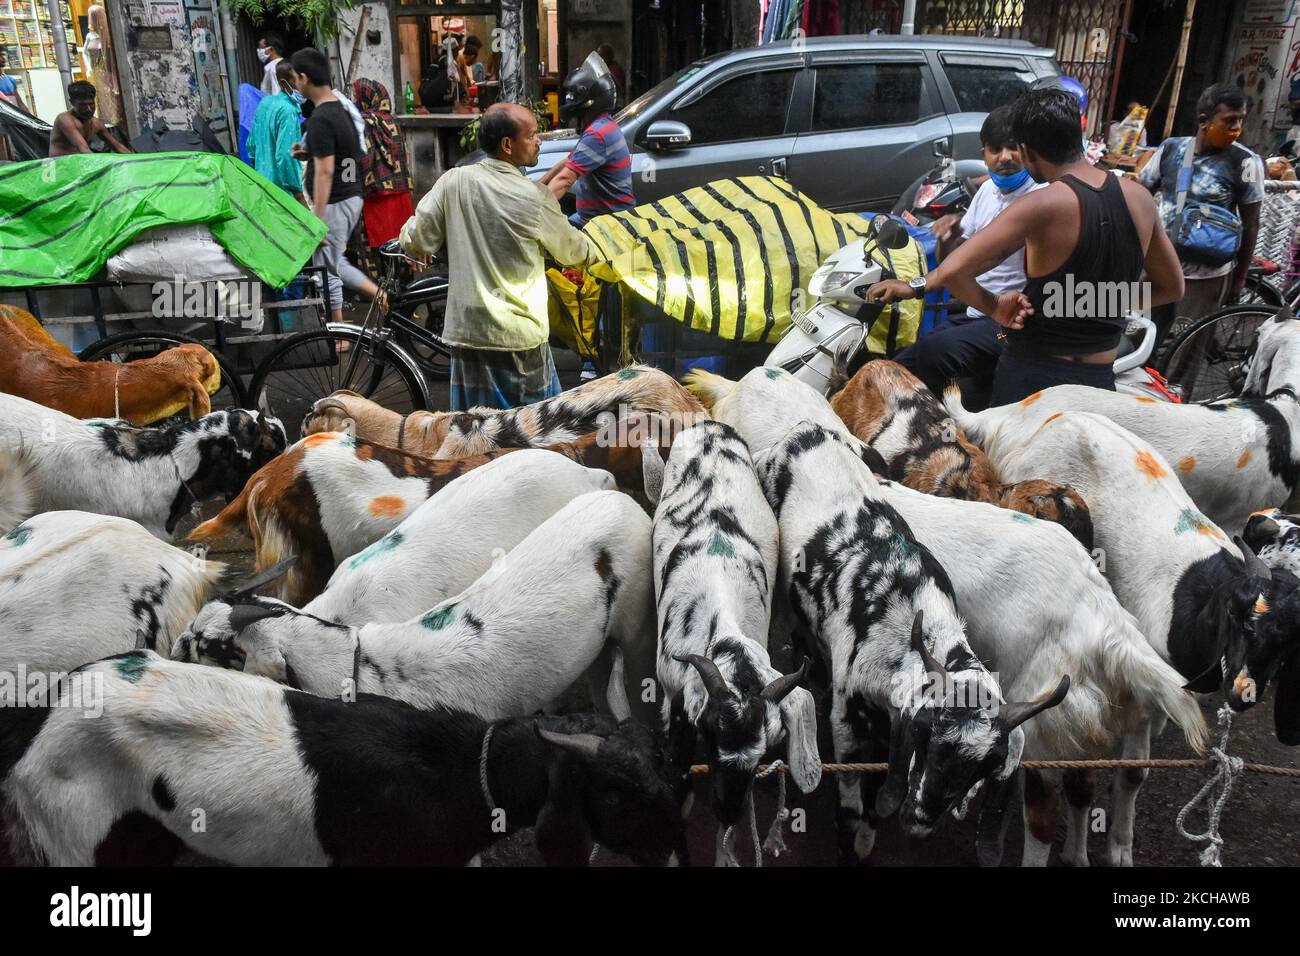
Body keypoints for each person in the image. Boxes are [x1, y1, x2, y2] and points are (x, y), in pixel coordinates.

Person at [868, 88, 1184, 404]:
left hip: (1034, 378)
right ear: (1079, 136)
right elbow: (1172, 287)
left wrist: (995, 307)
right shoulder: (1139, 198)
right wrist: (1097, 301)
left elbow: (953, 272)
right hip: (1097, 383)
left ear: (1026, 150)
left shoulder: (1040, 206)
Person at [399, 102, 597, 410]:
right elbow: (575, 252)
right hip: (518, 338)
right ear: (507, 145)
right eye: (532, 135)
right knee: (535, 432)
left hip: (469, 333)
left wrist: (407, 233)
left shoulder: (454, 181)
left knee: (473, 433)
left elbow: (417, 240)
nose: (539, 141)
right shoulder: (534, 198)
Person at [892, 105, 1045, 409]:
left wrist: (913, 286)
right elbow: (959, 254)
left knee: (933, 353)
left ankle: (935, 431)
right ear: (983, 153)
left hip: (1013, 322)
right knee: (898, 365)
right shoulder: (987, 191)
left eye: (1013, 148)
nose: (1005, 157)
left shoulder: (1039, 197)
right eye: (996, 149)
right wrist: (949, 233)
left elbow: (976, 261)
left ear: (1027, 151)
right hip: (978, 313)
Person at [1140, 83, 1265, 346]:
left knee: (1187, 347)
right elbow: (1141, 197)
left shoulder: (1246, 162)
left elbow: (1251, 224)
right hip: (1159, 265)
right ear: (1204, 121)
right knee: (1138, 336)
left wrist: (1239, 279)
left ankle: (1177, 388)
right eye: (1229, 120)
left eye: (1240, 120)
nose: (1236, 128)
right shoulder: (1170, 149)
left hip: (1207, 275)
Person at [290, 48, 378, 323]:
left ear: (304, 78)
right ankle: (340, 322)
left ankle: (375, 299)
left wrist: (316, 221)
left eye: (294, 78)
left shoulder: (321, 119)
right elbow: (340, 155)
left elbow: (326, 171)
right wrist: (308, 153)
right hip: (348, 195)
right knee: (329, 262)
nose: (294, 84)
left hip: (336, 200)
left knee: (329, 265)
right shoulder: (340, 109)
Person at [541, 51, 633, 223]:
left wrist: (534, 214)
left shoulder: (598, 134)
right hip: (589, 217)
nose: (569, 100)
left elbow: (565, 180)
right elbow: (567, 164)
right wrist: (537, 187)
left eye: (573, 95)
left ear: (590, 100)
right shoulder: (601, 125)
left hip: (608, 224)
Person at [352, 77, 415, 248]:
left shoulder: (365, 121)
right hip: (402, 193)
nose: (354, 101)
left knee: (381, 249)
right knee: (402, 246)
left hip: (378, 197)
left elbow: (364, 159)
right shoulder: (392, 119)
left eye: (356, 96)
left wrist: (350, 182)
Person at [249, 60, 306, 204]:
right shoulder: (288, 112)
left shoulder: (265, 103)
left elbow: (251, 146)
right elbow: (286, 156)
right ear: (283, 83)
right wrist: (299, 196)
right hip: (283, 195)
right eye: (296, 80)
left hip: (262, 188)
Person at [49, 81, 132, 156]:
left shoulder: (96, 123)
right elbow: (83, 149)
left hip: (80, 164)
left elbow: (117, 146)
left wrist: (138, 161)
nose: (89, 109)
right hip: (60, 167)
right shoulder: (64, 120)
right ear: (72, 103)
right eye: (83, 105)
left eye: (91, 104)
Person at [0, 47, 29, 113]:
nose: (3, 58)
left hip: (13, 118)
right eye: (0, 56)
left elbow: (20, 104)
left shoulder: (10, 80)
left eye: (3, 55)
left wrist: (32, 119)